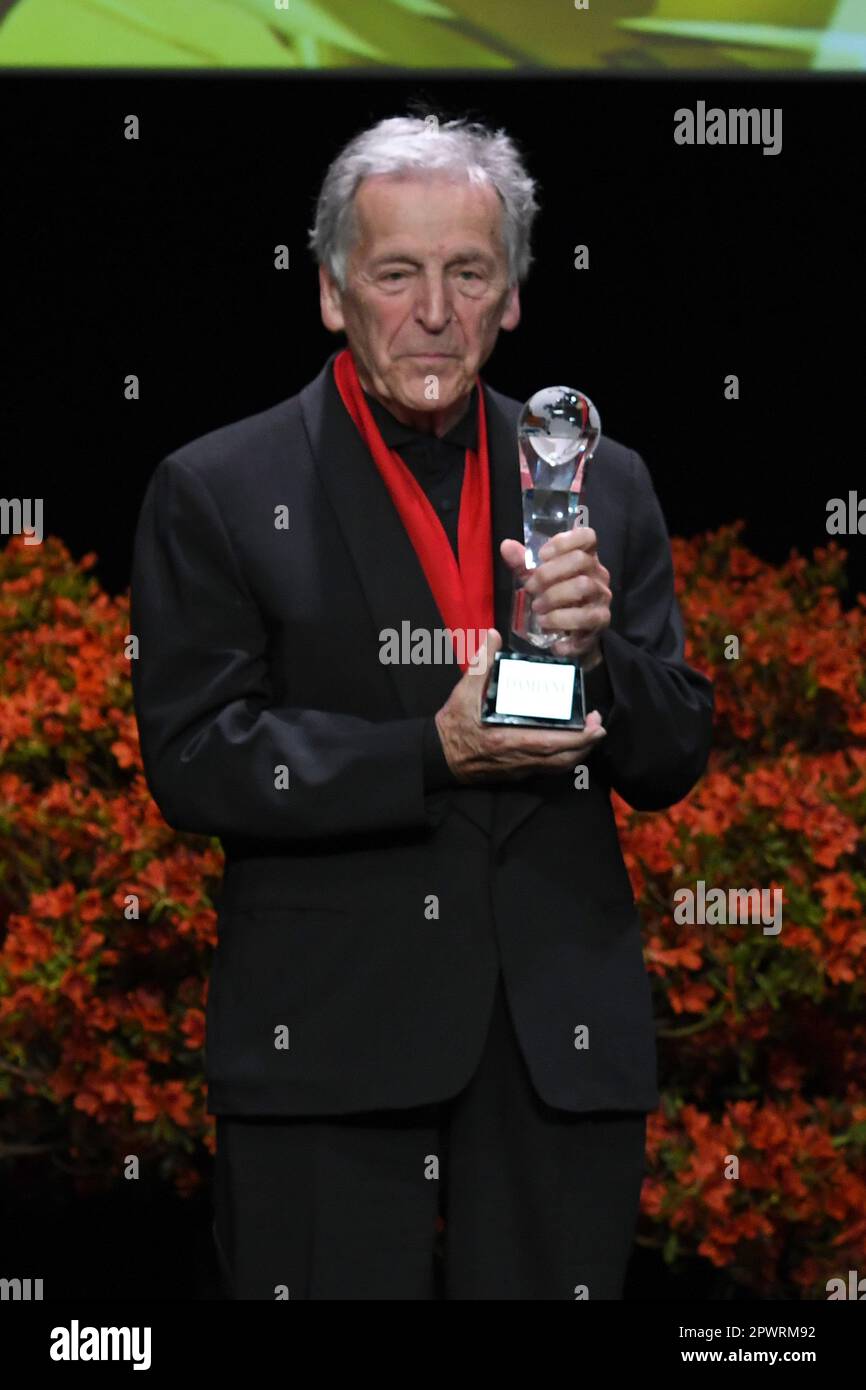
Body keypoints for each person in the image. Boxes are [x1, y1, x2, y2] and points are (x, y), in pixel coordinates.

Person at [130, 114, 714, 1300]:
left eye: (468, 274)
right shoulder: (221, 488)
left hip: (557, 1048)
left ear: (511, 301)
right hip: (328, 1045)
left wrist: (601, 661)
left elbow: (672, 751)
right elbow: (194, 757)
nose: (433, 311)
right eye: (397, 274)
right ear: (335, 293)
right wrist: (426, 751)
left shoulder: (602, 477)